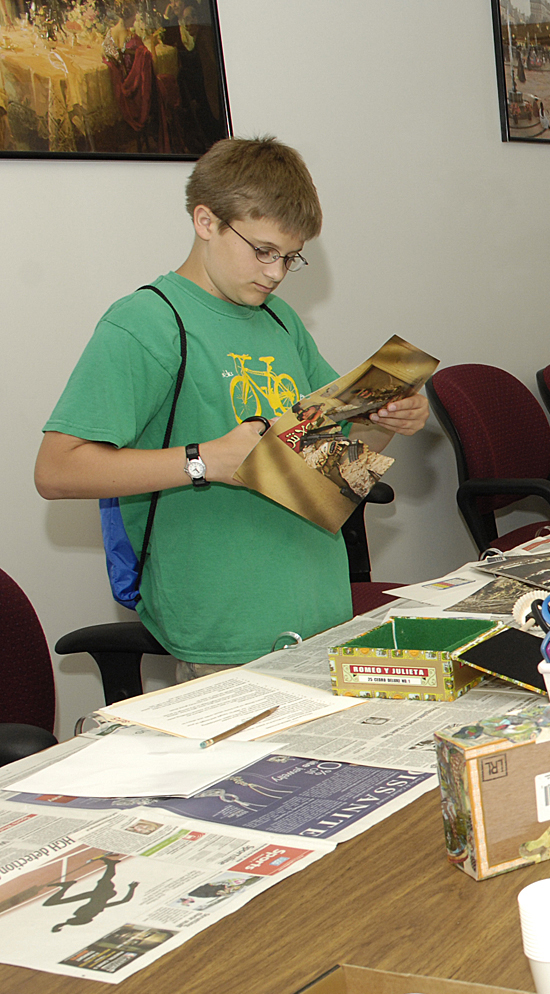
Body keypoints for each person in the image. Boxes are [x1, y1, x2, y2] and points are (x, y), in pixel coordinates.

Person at [35, 136, 428, 679]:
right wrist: (205, 460)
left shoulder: (279, 320)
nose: (275, 273)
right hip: (225, 626)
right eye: (262, 251)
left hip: (319, 608)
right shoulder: (147, 323)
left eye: (290, 258)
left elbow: (333, 470)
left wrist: (385, 423)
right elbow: (56, 470)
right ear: (206, 221)